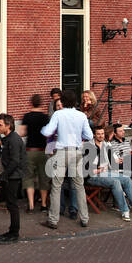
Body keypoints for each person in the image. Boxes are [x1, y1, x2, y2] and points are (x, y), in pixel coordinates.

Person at [42, 90, 93, 229]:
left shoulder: (58, 114)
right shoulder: (81, 115)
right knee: (79, 186)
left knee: (56, 186)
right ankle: (84, 218)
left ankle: (53, 220)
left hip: (61, 152)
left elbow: (47, 132)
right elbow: (89, 135)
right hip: (76, 152)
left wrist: (43, 129)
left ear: (62, 102)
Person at [88, 126, 132, 220]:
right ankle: (124, 210)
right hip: (94, 175)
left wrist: (117, 161)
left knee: (126, 178)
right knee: (115, 182)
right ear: (94, 135)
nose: (101, 136)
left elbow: (113, 160)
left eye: (102, 134)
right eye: (98, 134)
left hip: (106, 172)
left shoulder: (106, 145)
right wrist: (99, 169)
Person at [0, 114, 26, 242]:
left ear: (8, 126)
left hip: (13, 176)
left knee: (12, 205)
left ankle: (14, 233)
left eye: (0, 125)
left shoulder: (14, 139)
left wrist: (5, 175)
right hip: (10, 175)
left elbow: (14, 160)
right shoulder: (8, 138)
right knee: (10, 204)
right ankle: (12, 231)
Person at [22, 93, 51, 212]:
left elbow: (22, 132)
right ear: (41, 103)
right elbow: (49, 134)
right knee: (43, 178)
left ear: (31, 103)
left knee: (29, 177)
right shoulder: (45, 117)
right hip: (42, 150)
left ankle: (31, 204)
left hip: (30, 150)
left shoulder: (27, 116)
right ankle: (43, 205)